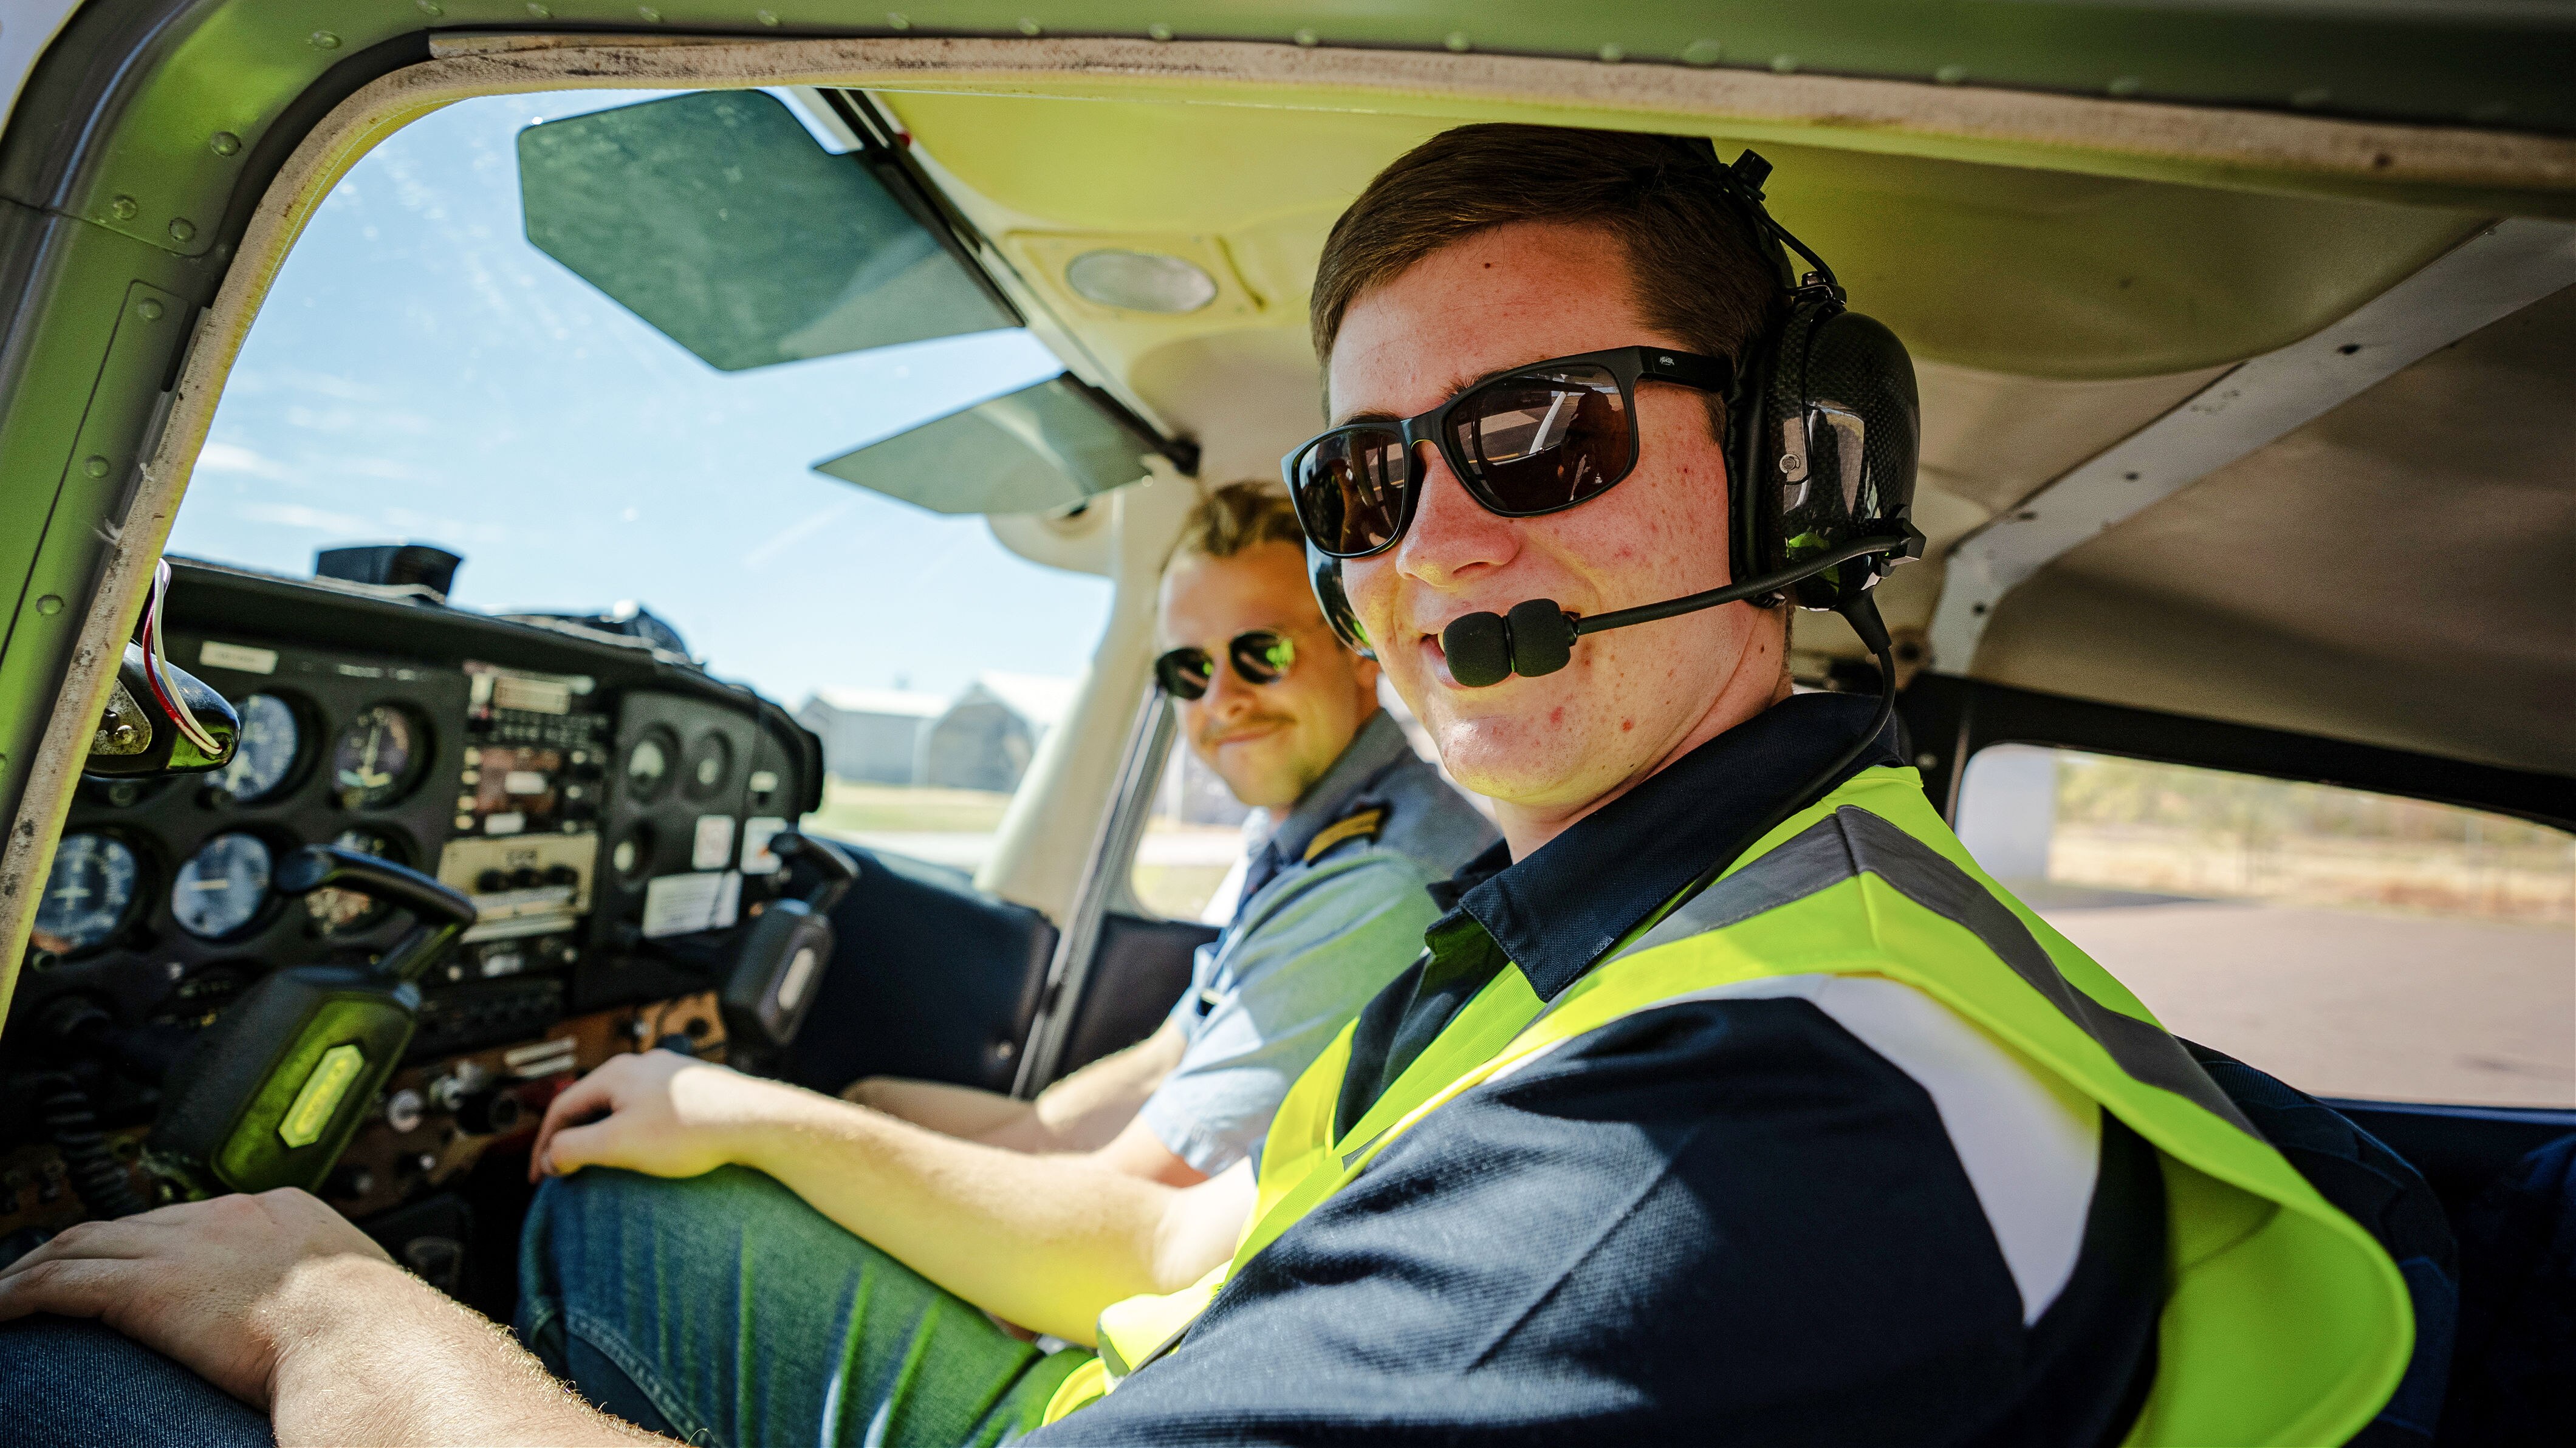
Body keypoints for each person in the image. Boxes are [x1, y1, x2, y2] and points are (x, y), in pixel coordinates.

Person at [0, 125, 2416, 1448]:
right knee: (628, 1217)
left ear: (1800, 475)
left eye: (1542, 436)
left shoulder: (1738, 1123)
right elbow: (1176, 1238)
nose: (1433, 542)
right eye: (1369, 482)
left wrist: (344, 1312)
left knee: (74, 1379)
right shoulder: (1611, 912)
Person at [842, 480, 1495, 1186]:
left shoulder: (1379, 882)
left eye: (1262, 652)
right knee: (863, 1104)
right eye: (1188, 668)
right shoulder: (1298, 840)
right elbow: (1159, 1062)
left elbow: (1129, 1208)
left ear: (1359, 651)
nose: (1220, 698)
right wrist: (988, 1135)